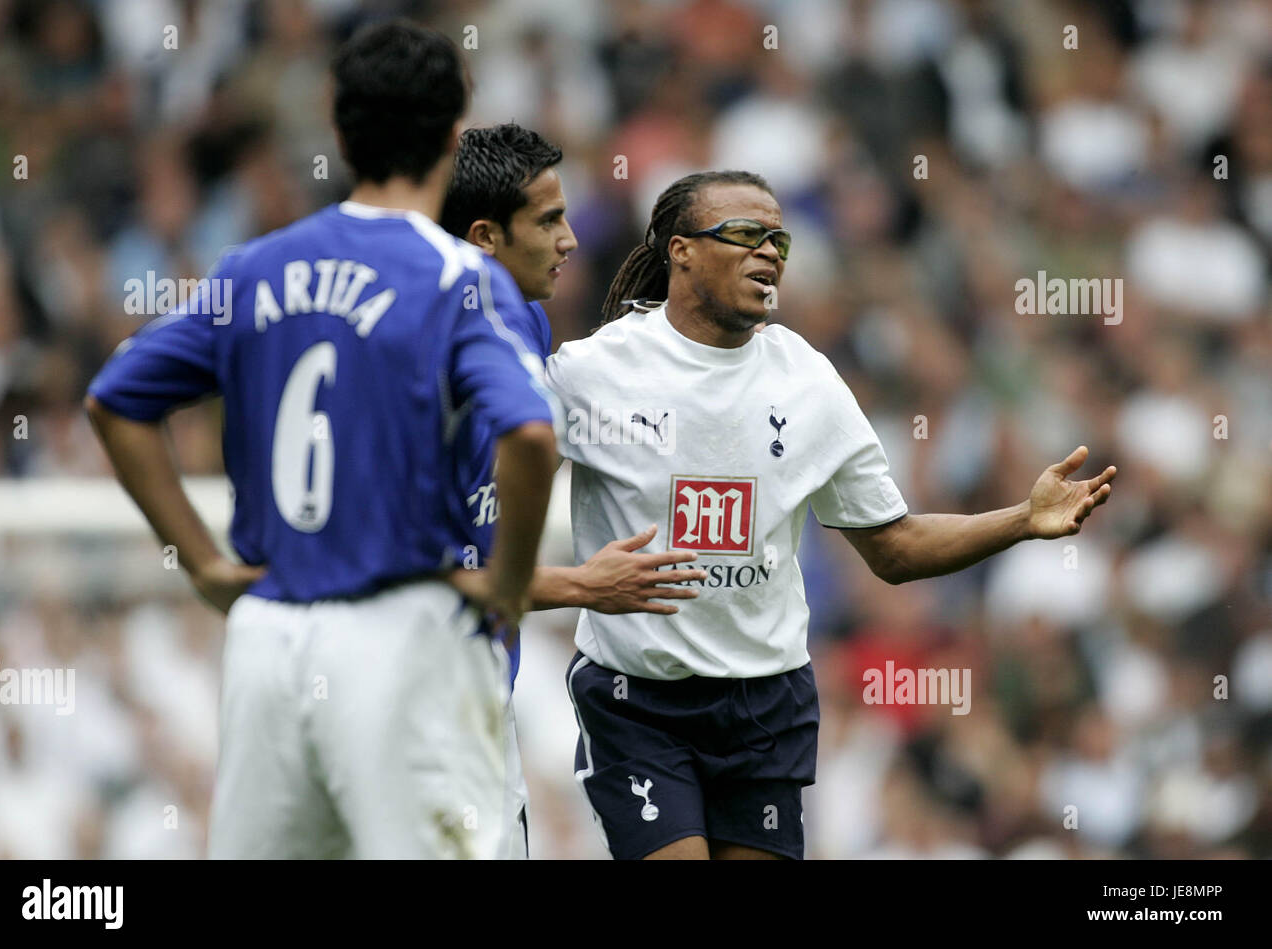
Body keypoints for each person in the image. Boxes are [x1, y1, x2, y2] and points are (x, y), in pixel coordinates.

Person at [85, 20, 559, 859]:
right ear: (454, 136)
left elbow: (117, 403)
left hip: (268, 644)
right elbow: (528, 433)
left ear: (338, 131)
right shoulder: (458, 279)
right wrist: (508, 584)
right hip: (401, 637)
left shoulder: (253, 268)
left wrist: (201, 561)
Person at [546, 169, 1117, 860]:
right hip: (637, 700)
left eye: (778, 239)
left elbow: (896, 547)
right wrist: (568, 585)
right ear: (681, 251)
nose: (769, 253)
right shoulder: (590, 372)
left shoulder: (807, 379)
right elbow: (493, 487)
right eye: (744, 235)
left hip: (765, 703)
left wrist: (1022, 519)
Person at [439, 123, 706, 857]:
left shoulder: (521, 320)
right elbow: (418, 579)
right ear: (486, 236)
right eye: (550, 221)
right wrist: (585, 584)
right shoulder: (421, 363)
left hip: (478, 701)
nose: (570, 241)